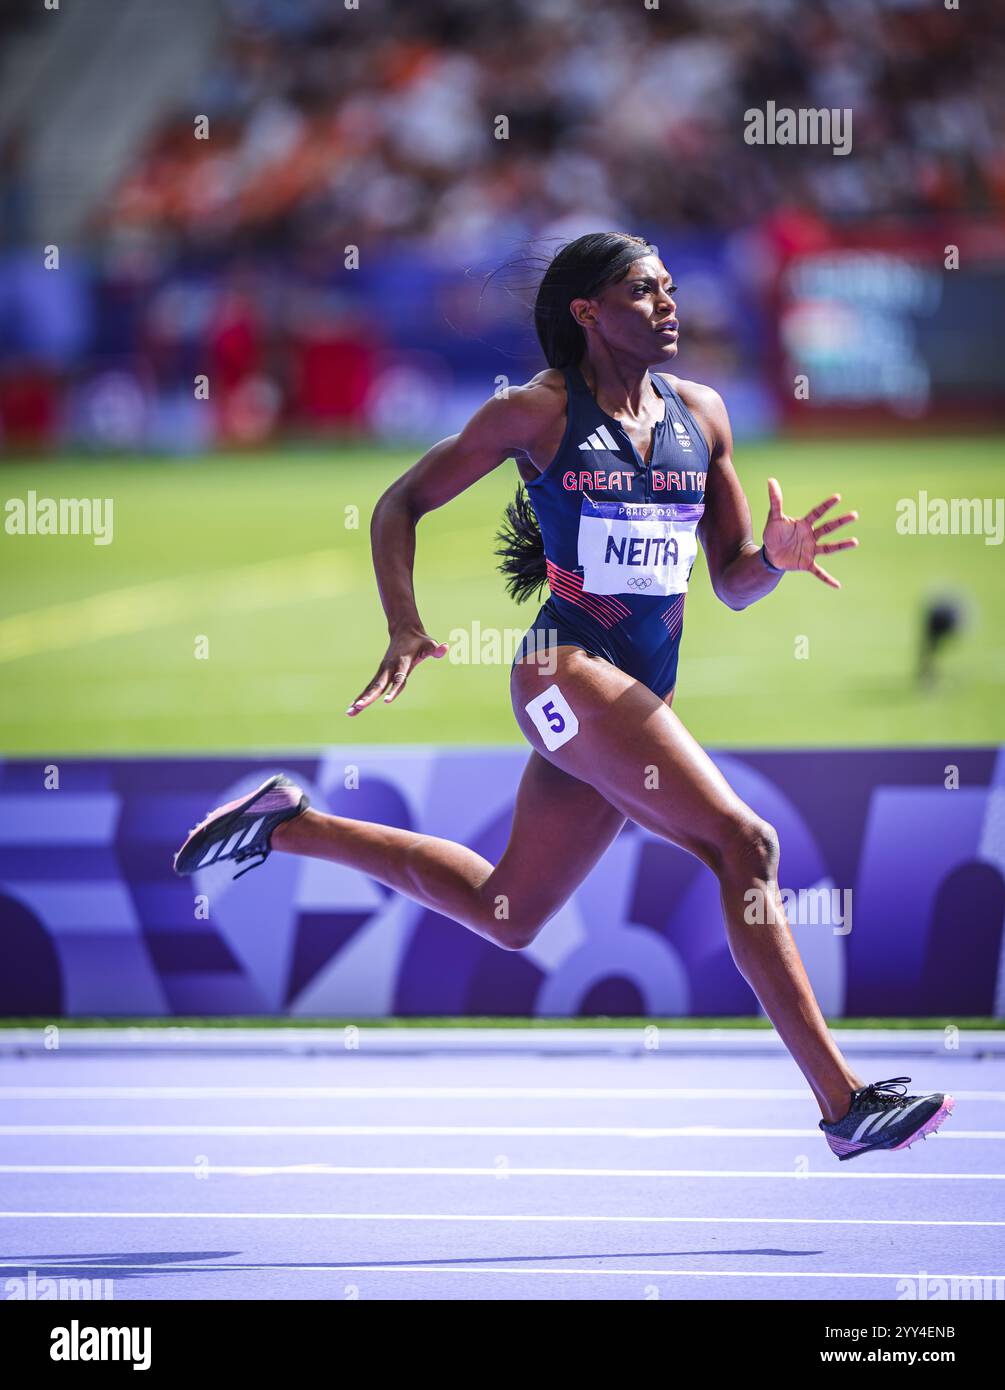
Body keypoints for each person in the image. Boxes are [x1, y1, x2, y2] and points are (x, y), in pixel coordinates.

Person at [174, 232, 954, 1160]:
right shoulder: (536, 412)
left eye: (670, 287)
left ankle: (288, 826)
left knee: (508, 914)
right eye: (643, 291)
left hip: (632, 691)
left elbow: (731, 583)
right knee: (745, 844)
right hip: (560, 670)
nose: (668, 304)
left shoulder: (701, 416)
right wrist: (404, 624)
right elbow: (400, 503)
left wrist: (774, 561)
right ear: (587, 312)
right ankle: (843, 1102)